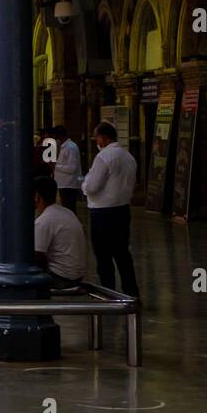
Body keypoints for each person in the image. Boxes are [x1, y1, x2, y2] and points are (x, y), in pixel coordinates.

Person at [81, 121, 139, 296]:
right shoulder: (128, 156)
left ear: (103, 138)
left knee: (103, 256)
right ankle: (131, 292)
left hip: (102, 214)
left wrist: (84, 185)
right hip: (122, 211)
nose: (96, 141)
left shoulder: (104, 157)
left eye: (96, 137)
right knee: (122, 254)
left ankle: (108, 292)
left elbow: (91, 186)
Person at [33, 175, 87, 289]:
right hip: (77, 276)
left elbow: (38, 257)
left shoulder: (44, 220)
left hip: (61, 278)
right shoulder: (67, 212)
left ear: (37, 197)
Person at [51, 125, 82, 212]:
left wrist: (56, 166)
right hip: (64, 184)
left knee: (69, 210)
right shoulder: (65, 147)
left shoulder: (70, 147)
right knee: (67, 209)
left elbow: (72, 168)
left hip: (68, 185)